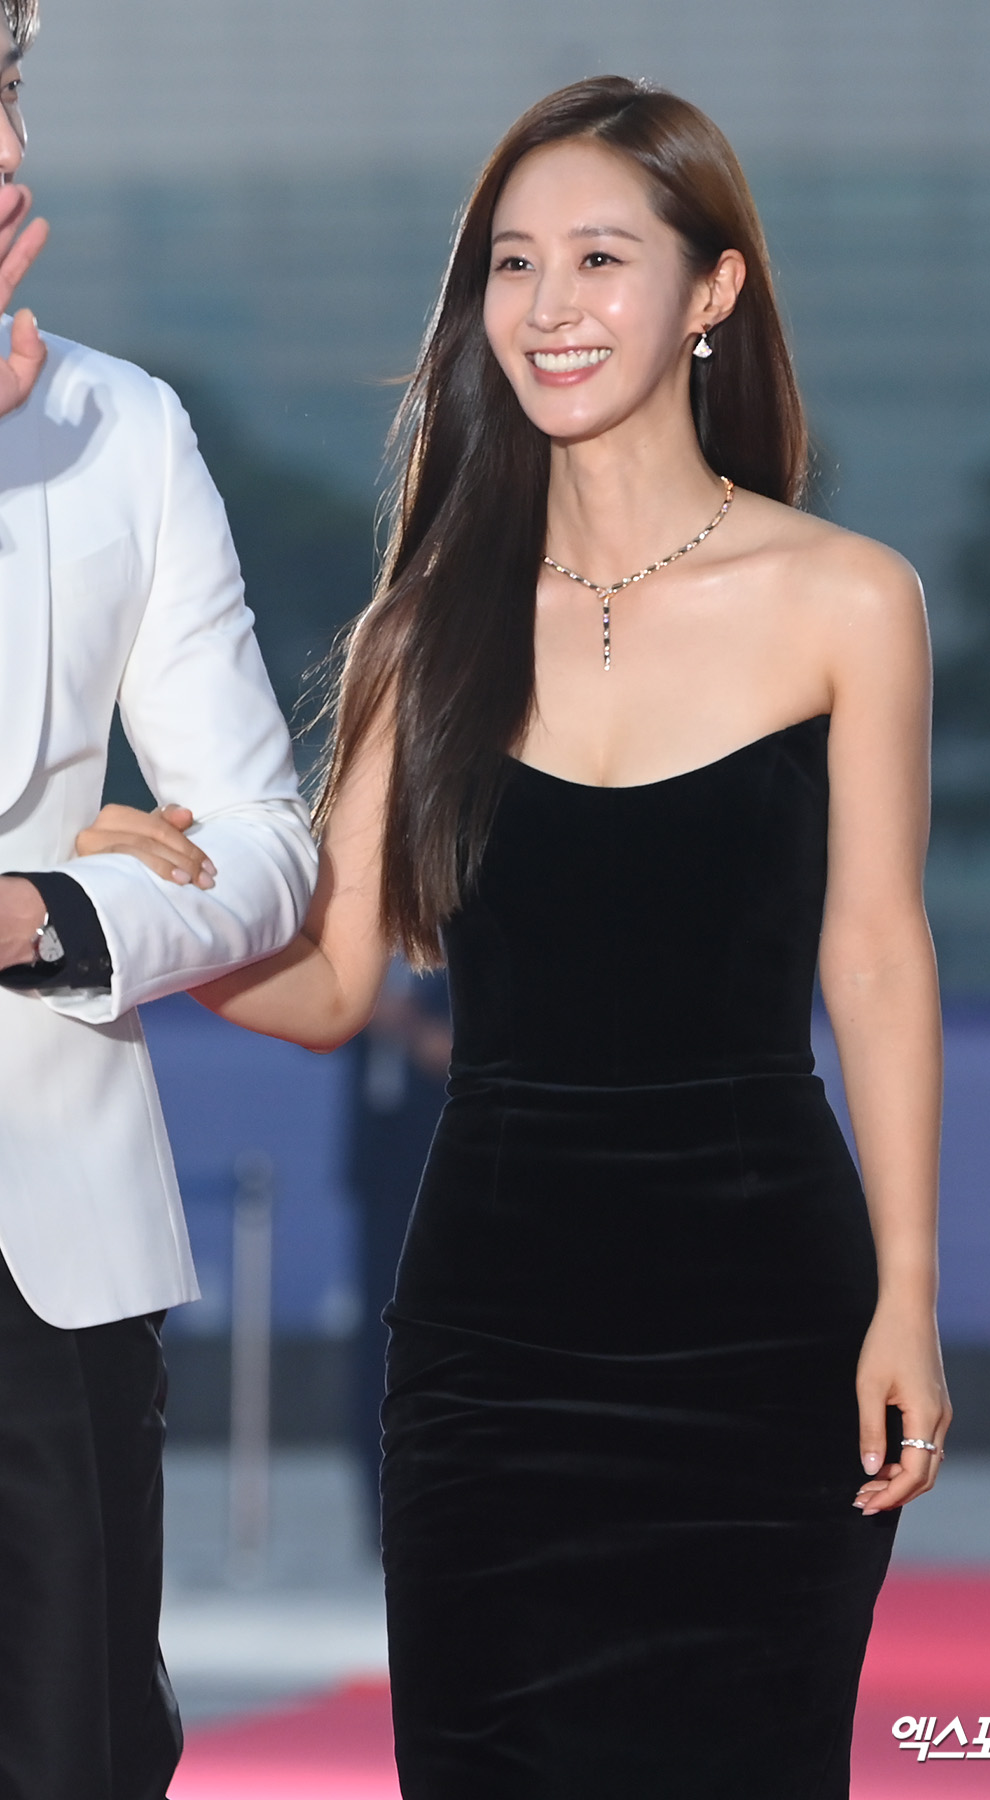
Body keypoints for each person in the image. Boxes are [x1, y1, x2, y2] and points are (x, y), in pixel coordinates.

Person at [92, 75, 951, 1800]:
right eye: (512, 262)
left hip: (764, 1323)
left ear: (712, 291)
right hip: (495, 1342)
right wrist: (139, 906)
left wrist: (911, 1293)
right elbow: (333, 979)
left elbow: (875, 958)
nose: (550, 305)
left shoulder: (849, 600)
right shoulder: (427, 631)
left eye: (602, 258)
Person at [0, 7, 318, 1797]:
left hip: (45, 1268)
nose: (8, 152)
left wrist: (48, 912)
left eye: (10, 93)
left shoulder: (119, 427)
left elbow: (264, 844)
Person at [344, 958, 451, 1508]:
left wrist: (410, 1025)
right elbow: (313, 1026)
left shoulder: (467, 934)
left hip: (448, 1161)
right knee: (380, 1336)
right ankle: (380, 1497)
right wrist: (357, 1011)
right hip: (381, 1170)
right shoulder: (367, 939)